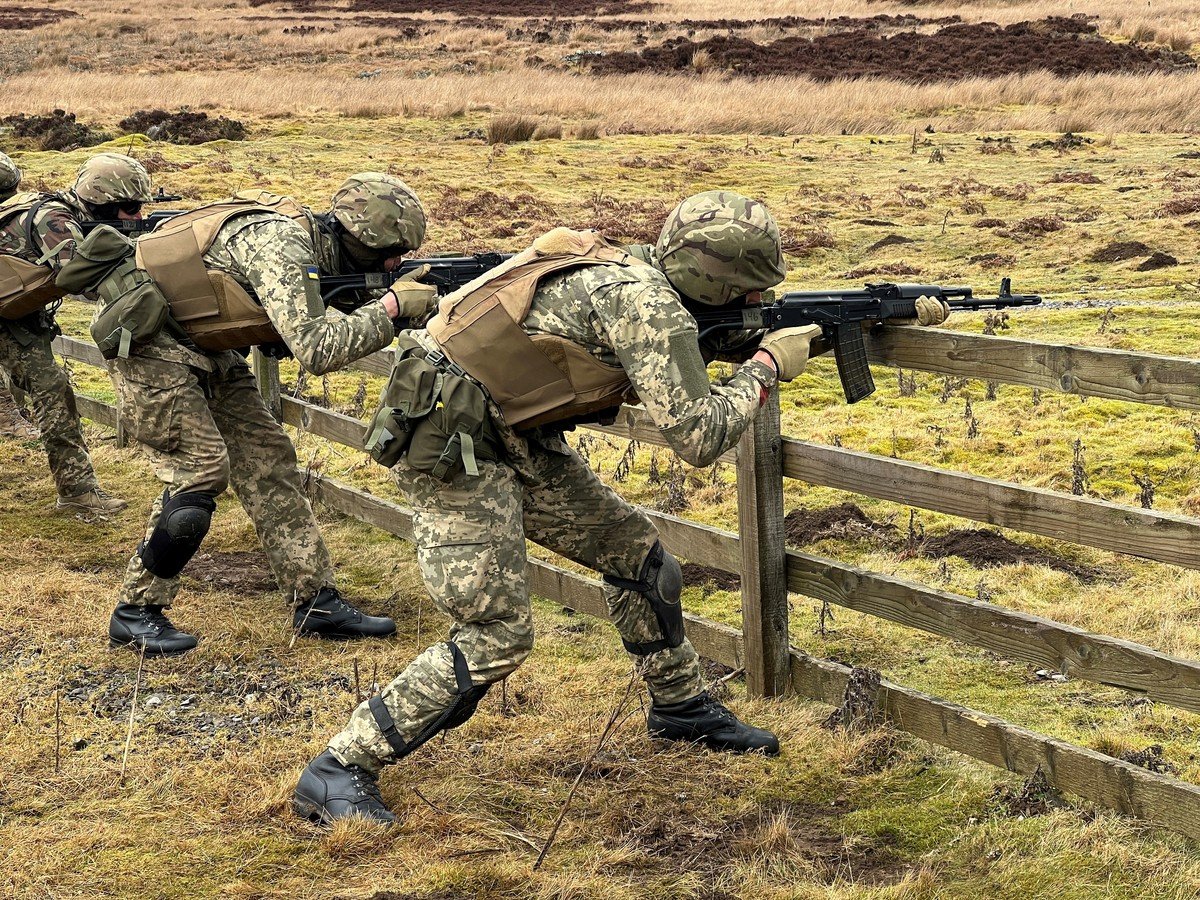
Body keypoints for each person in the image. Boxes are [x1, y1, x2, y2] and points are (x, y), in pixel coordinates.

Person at [292, 190, 953, 824]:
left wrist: (862, 321)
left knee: (640, 558)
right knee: (496, 633)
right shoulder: (646, 304)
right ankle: (341, 766)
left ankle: (680, 708)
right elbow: (698, 438)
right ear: (714, 280)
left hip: (507, 434)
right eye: (751, 289)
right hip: (454, 450)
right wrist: (765, 369)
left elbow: (696, 340)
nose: (760, 300)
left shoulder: (635, 269)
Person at [89, 173, 438, 657]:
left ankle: (315, 601)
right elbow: (317, 349)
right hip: (153, 352)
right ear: (352, 237)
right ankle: (135, 611)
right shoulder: (282, 246)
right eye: (386, 253)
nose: (394, 263)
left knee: (269, 459)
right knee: (200, 473)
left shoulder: (313, 247)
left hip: (209, 349)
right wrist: (392, 310)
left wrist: (386, 304)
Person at [0, 151, 147, 514]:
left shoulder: (44, 211)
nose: (138, 216)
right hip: (11, 319)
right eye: (129, 207)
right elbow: (83, 282)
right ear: (101, 203)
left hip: (14, 315)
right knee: (52, 389)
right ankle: (78, 492)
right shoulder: (54, 219)